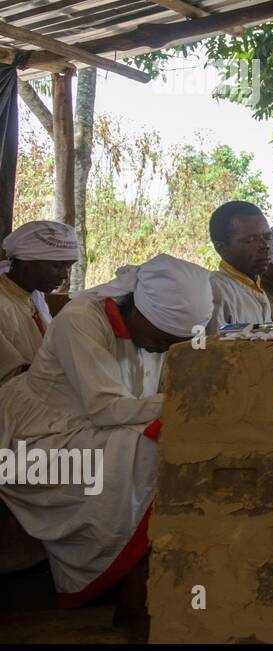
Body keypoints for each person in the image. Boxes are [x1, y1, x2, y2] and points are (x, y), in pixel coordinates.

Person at [0, 254, 212, 617]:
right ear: (139, 312)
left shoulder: (154, 331)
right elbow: (106, 409)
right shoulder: (82, 320)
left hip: (98, 423)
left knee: (161, 440)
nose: (164, 349)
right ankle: (105, 574)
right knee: (146, 451)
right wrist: (186, 402)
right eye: (162, 339)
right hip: (36, 437)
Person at [0, 220, 79, 383]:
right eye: (57, 266)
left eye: (69, 267)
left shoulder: (33, 297)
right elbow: (13, 375)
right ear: (27, 262)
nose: (65, 276)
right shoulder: (3, 304)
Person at [207, 200, 272, 332]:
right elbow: (213, 347)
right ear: (221, 248)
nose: (265, 245)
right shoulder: (215, 291)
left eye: (267, 236)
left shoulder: (256, 287)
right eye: (251, 240)